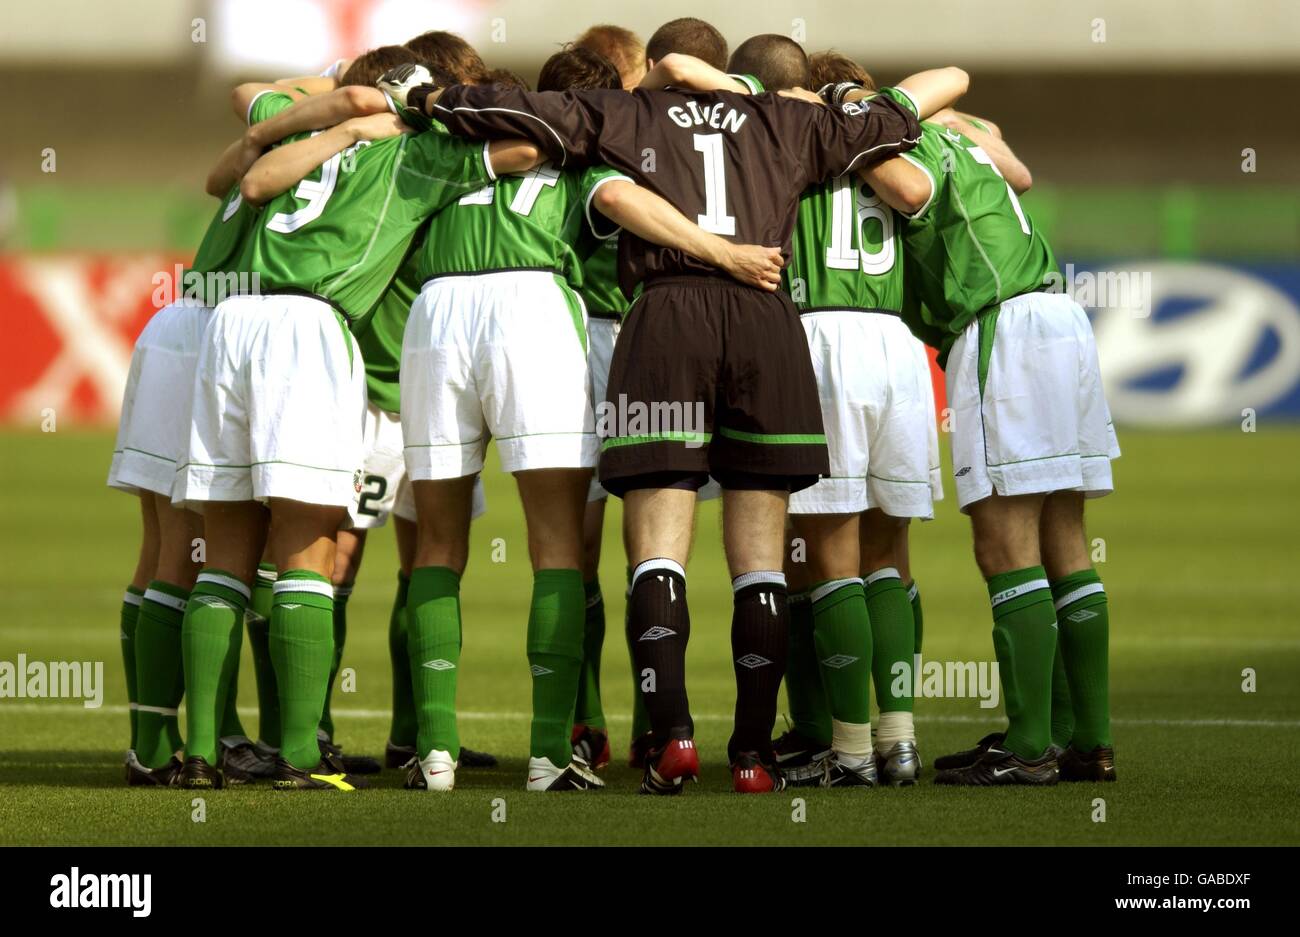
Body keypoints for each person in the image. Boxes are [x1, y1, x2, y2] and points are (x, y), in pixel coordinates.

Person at [381, 55, 922, 793]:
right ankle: (756, 757)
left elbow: (516, 110)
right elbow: (898, 120)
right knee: (760, 557)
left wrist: (430, 96)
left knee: (657, 549)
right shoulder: (785, 118)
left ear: (658, 74)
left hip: (666, 316)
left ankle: (671, 741)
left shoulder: (629, 112)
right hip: (765, 319)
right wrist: (836, 93)